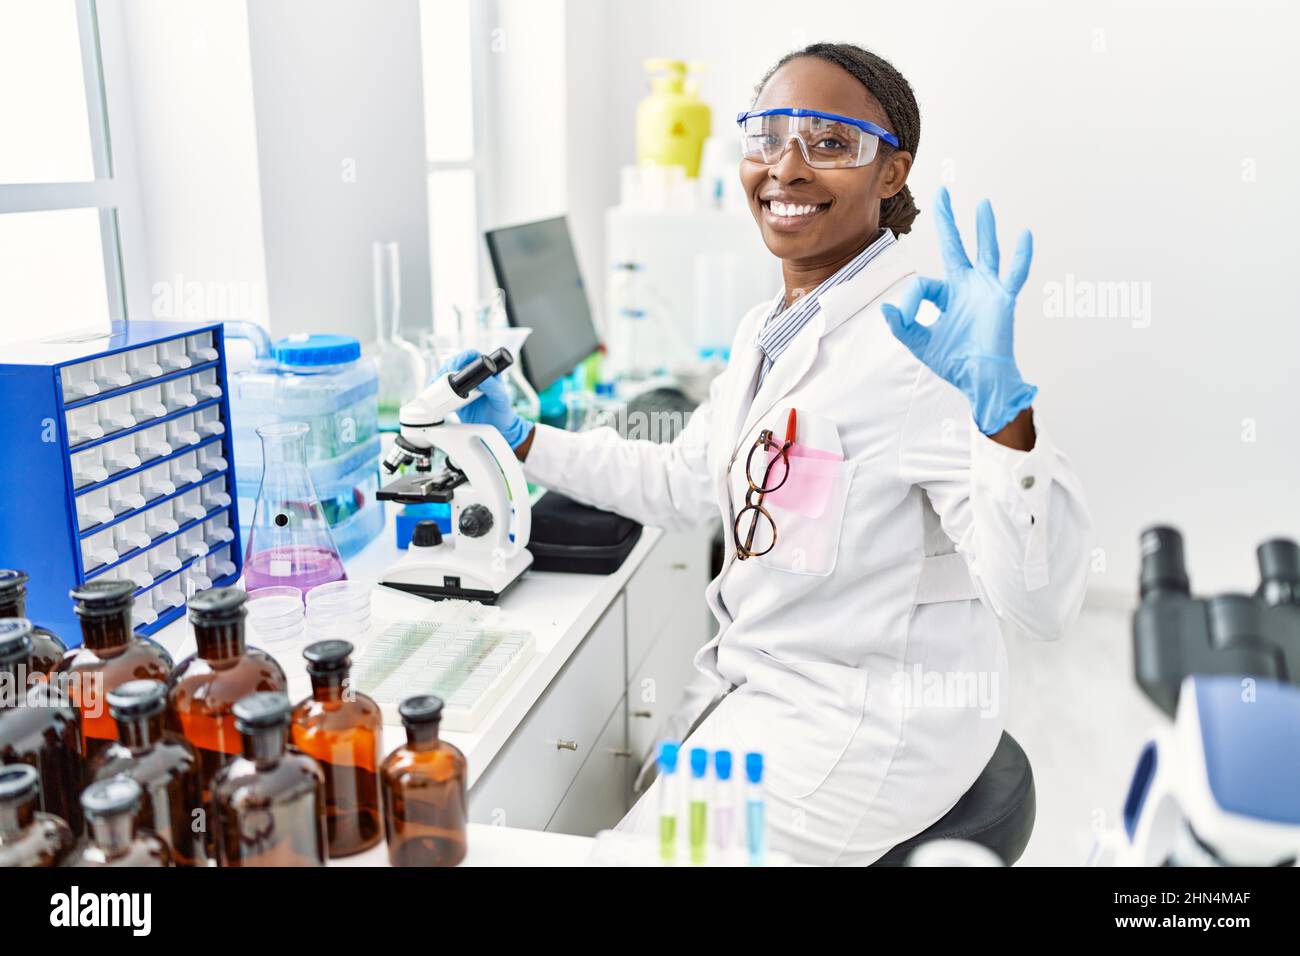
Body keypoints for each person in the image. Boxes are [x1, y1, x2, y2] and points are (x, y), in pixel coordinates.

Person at [447, 42, 1090, 865]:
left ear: (890, 173)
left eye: (829, 144)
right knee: (634, 831)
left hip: (864, 726)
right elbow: (685, 481)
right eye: (768, 138)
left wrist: (1006, 418)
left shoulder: (916, 349)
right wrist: (526, 439)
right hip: (773, 697)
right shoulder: (770, 329)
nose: (786, 168)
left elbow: (1038, 605)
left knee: (621, 857)